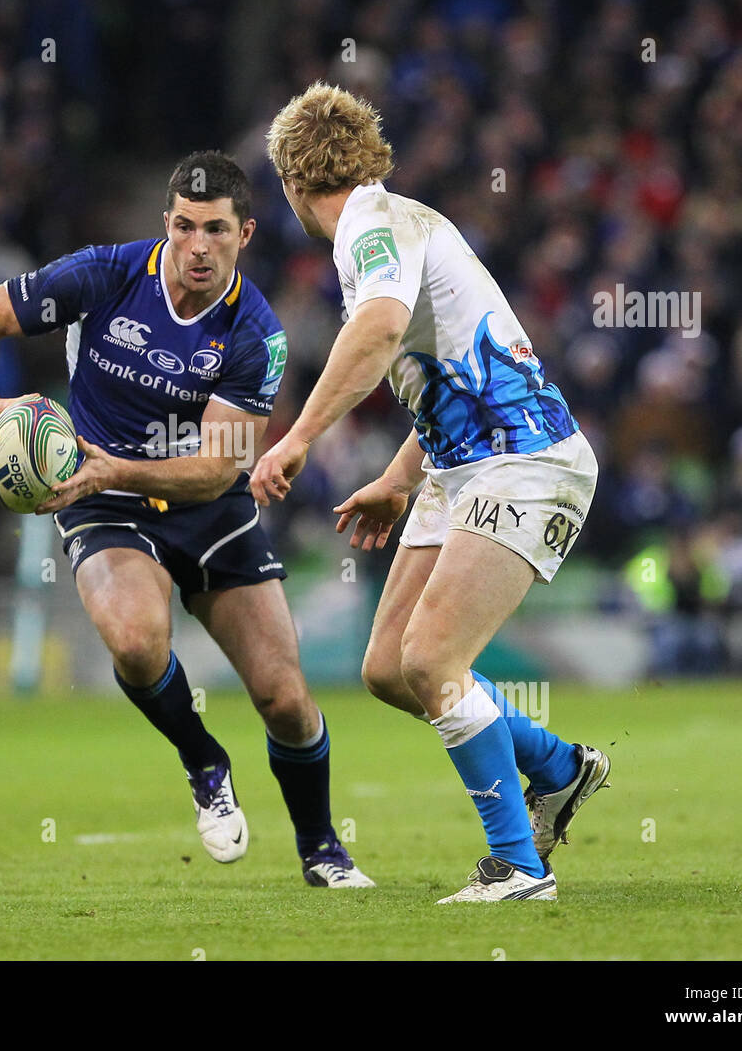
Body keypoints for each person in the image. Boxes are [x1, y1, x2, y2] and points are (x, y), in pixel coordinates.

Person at [0, 151, 372, 887]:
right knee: (138, 643)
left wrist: (115, 466)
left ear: (245, 233)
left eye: (214, 229)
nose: (196, 245)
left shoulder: (256, 336)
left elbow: (216, 468)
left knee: (285, 698)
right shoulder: (104, 274)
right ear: (165, 224)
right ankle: (204, 761)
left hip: (206, 505)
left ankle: (321, 846)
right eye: (183, 226)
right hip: (101, 500)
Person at [252, 84, 609, 902]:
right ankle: (560, 768)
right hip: (461, 462)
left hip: (527, 460)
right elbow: (452, 373)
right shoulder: (398, 223)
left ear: (290, 182)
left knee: (433, 658)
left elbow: (375, 331)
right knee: (387, 667)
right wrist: (393, 477)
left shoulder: (371, 229)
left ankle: (519, 866)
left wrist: (300, 435)